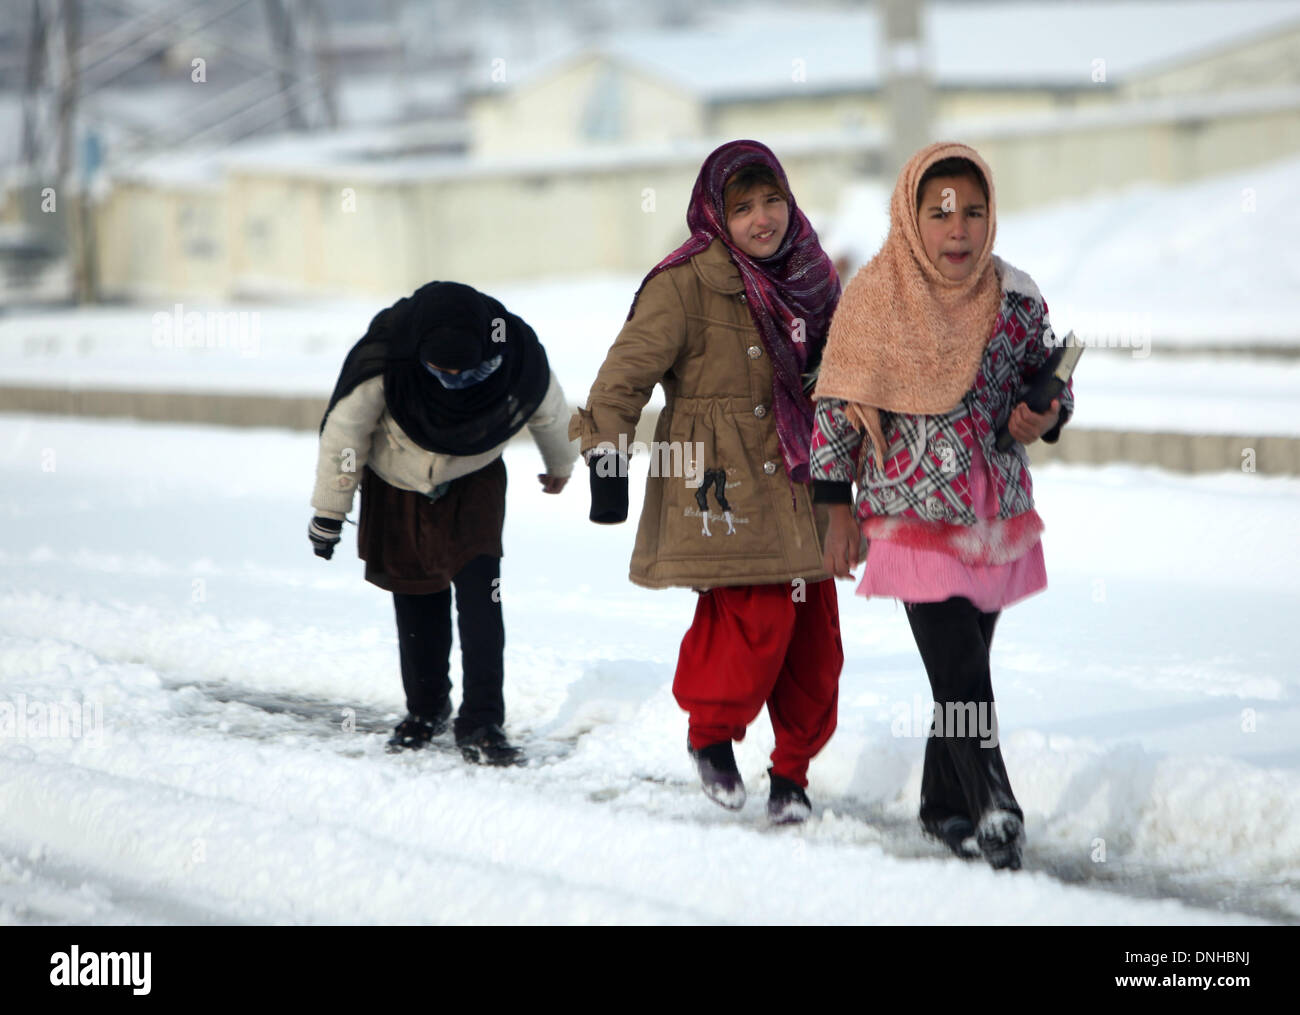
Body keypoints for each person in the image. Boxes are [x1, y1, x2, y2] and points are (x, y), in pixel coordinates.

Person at [811, 141, 1074, 869]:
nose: (958, 228)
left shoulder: (1017, 296)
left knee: (960, 665)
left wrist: (1043, 409)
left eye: (974, 211)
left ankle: (941, 804)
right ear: (910, 214)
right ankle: (993, 798)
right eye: (941, 212)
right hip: (908, 512)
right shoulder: (876, 296)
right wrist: (834, 506)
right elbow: (836, 408)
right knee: (959, 662)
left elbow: (1049, 376)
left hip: (991, 509)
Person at [569, 140, 844, 824]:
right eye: (743, 205)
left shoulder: (810, 272)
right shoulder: (683, 282)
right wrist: (609, 460)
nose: (762, 219)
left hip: (804, 479)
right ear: (716, 213)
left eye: (772, 199)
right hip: (724, 481)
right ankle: (711, 734)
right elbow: (623, 376)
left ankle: (793, 777)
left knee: (814, 637)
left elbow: (850, 368)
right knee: (754, 614)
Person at [309, 281, 576, 763]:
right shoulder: (388, 357)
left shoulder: (511, 349)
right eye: (440, 368)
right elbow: (346, 435)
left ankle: (482, 722)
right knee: (416, 600)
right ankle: (426, 711)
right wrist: (330, 511)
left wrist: (561, 466)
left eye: (462, 368)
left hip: (473, 482)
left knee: (480, 599)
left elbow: (549, 409)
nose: (451, 376)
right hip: (397, 485)